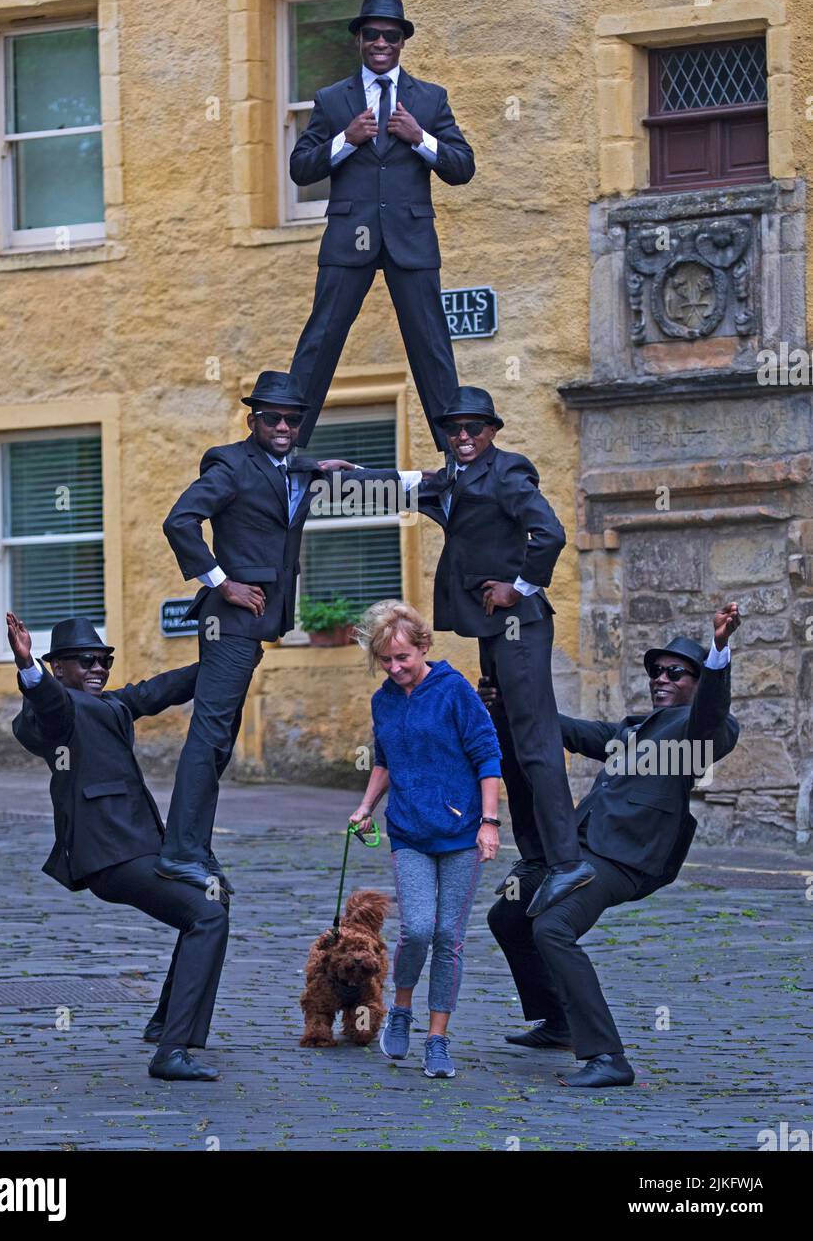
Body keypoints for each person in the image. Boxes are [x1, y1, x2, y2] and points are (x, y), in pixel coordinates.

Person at [157, 370, 416, 891]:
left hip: (254, 623)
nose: (281, 425)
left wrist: (427, 481)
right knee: (210, 734)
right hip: (228, 617)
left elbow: (309, 479)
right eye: (271, 417)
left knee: (220, 737)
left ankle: (193, 846)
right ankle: (180, 851)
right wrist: (222, 581)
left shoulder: (294, 468)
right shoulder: (230, 464)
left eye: (291, 419)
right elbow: (180, 521)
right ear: (252, 420)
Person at [484, 603, 741, 1088]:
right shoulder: (634, 729)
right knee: (508, 916)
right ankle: (559, 1022)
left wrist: (719, 651)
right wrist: (509, 700)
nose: (661, 679)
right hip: (573, 851)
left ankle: (608, 1057)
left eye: (676, 673)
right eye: (656, 672)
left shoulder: (702, 730)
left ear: (696, 681)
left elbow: (712, 710)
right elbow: (572, 731)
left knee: (553, 929)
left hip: (621, 859)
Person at [8, 612, 229, 1083]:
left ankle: (166, 1023)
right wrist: (27, 666)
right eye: (85, 660)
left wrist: (230, 657)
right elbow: (45, 706)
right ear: (58, 668)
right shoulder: (57, 710)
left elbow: (157, 690)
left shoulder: (109, 705)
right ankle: (171, 1052)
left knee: (213, 901)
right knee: (205, 915)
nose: (98, 667)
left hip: (137, 849)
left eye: (104, 659)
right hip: (109, 855)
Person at [407, 385, 595, 919]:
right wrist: (337, 476)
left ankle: (567, 863)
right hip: (494, 631)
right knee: (506, 740)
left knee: (536, 741)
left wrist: (519, 585)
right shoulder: (455, 478)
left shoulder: (508, 471)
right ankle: (535, 857)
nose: (463, 437)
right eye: (454, 429)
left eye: (474, 428)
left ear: (492, 432)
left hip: (520, 624)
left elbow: (549, 533)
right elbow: (405, 487)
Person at [288, 0, 475, 452]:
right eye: (372, 34)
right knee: (322, 335)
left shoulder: (430, 99)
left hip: (410, 237)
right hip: (349, 234)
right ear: (359, 39)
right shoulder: (332, 100)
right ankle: (287, 443)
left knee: (431, 343)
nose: (381, 43)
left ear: (402, 42)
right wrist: (345, 141)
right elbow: (300, 167)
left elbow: (462, 167)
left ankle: (457, 450)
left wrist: (420, 138)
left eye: (391, 35)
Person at [348, 599, 502, 1079]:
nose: (394, 668)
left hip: (460, 832)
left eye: (402, 658)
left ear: (423, 647)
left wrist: (490, 822)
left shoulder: (454, 691)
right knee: (416, 928)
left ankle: (438, 1038)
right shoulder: (384, 700)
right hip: (409, 830)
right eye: (386, 661)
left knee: (448, 937)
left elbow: (487, 756)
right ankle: (401, 1007)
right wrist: (365, 807)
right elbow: (384, 760)